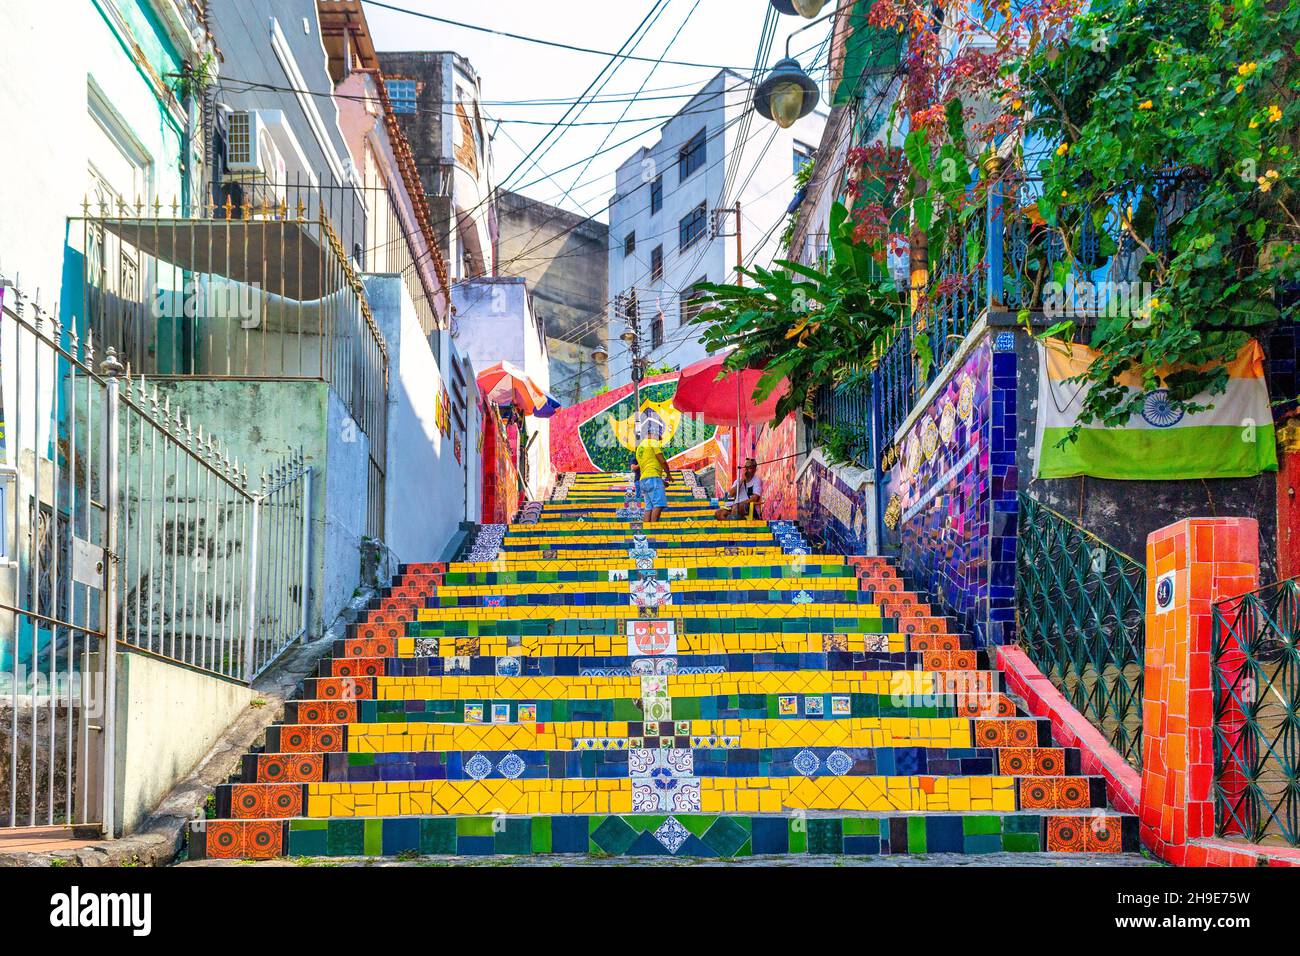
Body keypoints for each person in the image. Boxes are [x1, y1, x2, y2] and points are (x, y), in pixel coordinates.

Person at [634, 429, 672, 523]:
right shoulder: (652, 442)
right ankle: (654, 529)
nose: (658, 441)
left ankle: (647, 531)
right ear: (652, 434)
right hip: (652, 478)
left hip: (644, 480)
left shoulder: (639, 447)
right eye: (658, 438)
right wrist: (669, 475)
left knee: (649, 507)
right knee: (658, 505)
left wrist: (661, 481)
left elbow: (648, 467)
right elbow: (662, 461)